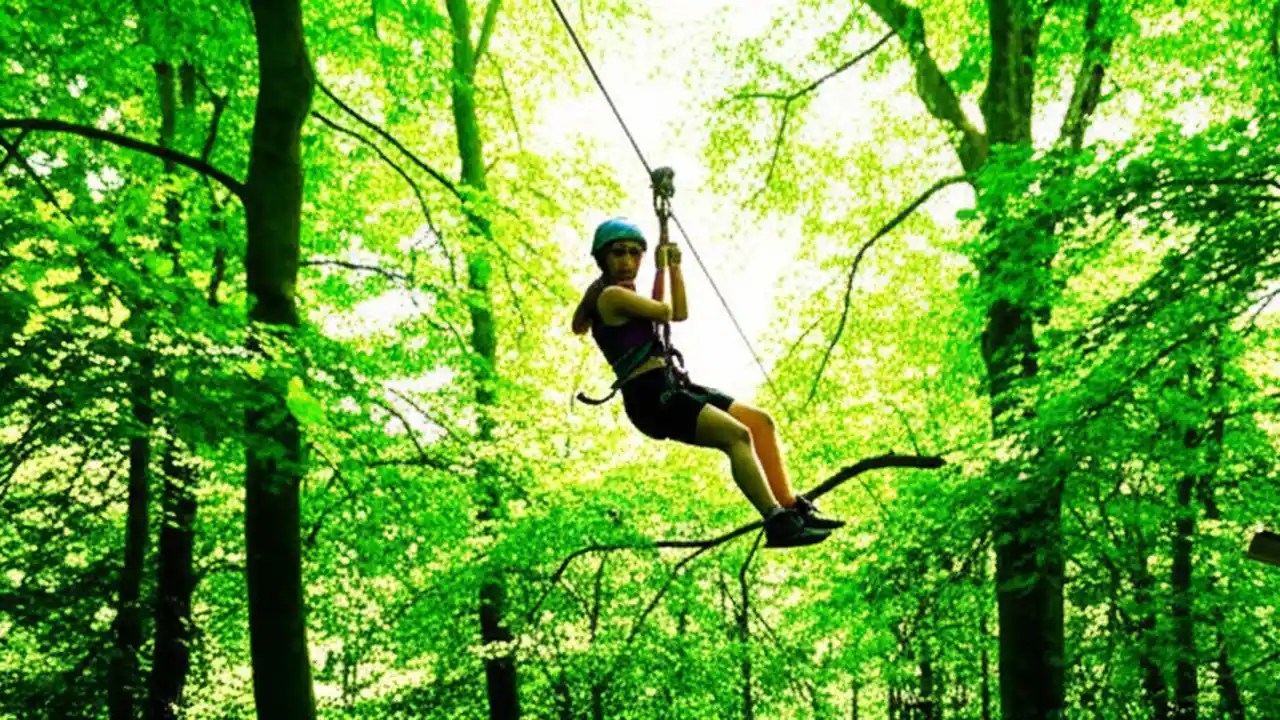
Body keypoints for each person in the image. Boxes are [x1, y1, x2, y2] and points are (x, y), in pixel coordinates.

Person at [572, 217, 844, 548]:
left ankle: (790, 506)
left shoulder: (623, 295)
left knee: (760, 423)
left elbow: (675, 313)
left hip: (672, 384)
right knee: (737, 436)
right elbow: (668, 310)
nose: (627, 262)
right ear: (602, 258)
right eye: (618, 253)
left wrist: (672, 268)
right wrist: (665, 268)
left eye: (633, 254)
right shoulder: (611, 297)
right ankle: (776, 520)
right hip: (651, 397)